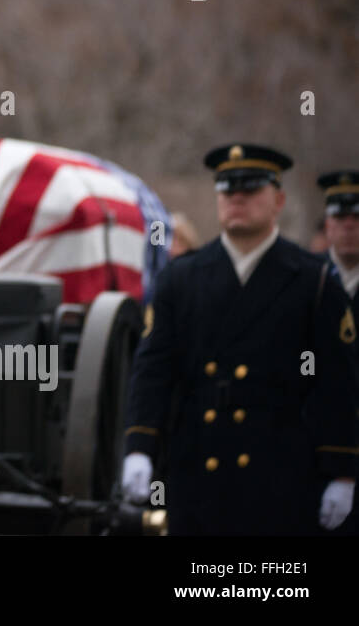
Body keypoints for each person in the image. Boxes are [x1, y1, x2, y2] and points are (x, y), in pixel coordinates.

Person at [121, 144, 358, 534]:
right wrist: (140, 447)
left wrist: (342, 472)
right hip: (198, 467)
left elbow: (336, 385)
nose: (237, 198)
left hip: (281, 474)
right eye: (227, 189)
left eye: (250, 189)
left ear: (278, 199)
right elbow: (153, 371)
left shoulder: (312, 279)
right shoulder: (181, 278)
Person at [318, 171, 359, 299]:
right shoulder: (310, 275)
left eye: (357, 217)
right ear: (327, 226)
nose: (349, 226)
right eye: (340, 217)